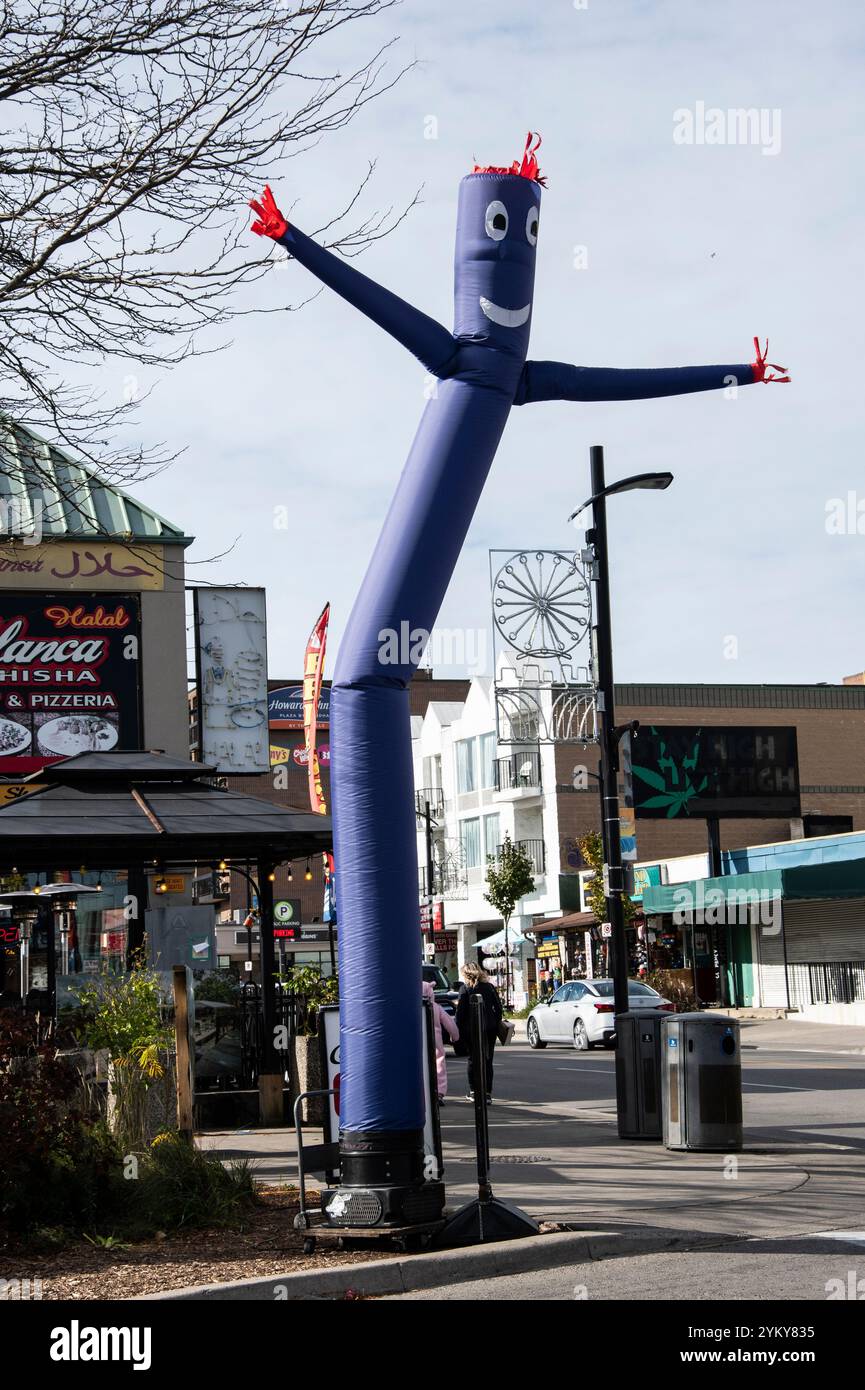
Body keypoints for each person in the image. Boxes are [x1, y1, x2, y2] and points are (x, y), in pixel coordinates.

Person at [455, 962, 503, 1103]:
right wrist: (494, 1022)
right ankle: (487, 1093)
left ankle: (474, 1091)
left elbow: (460, 1014)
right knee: (488, 1060)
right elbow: (499, 1008)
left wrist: (458, 1031)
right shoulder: (489, 987)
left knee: (472, 1060)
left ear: (466, 974)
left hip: (471, 1031)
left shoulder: (465, 989)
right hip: (489, 1029)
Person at [422, 980, 459, 1103]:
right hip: (436, 1040)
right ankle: (439, 1092)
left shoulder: (412, 1007)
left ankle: (422, 1091)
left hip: (419, 1041)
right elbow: (450, 1023)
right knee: (439, 1063)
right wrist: (455, 1037)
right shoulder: (436, 1007)